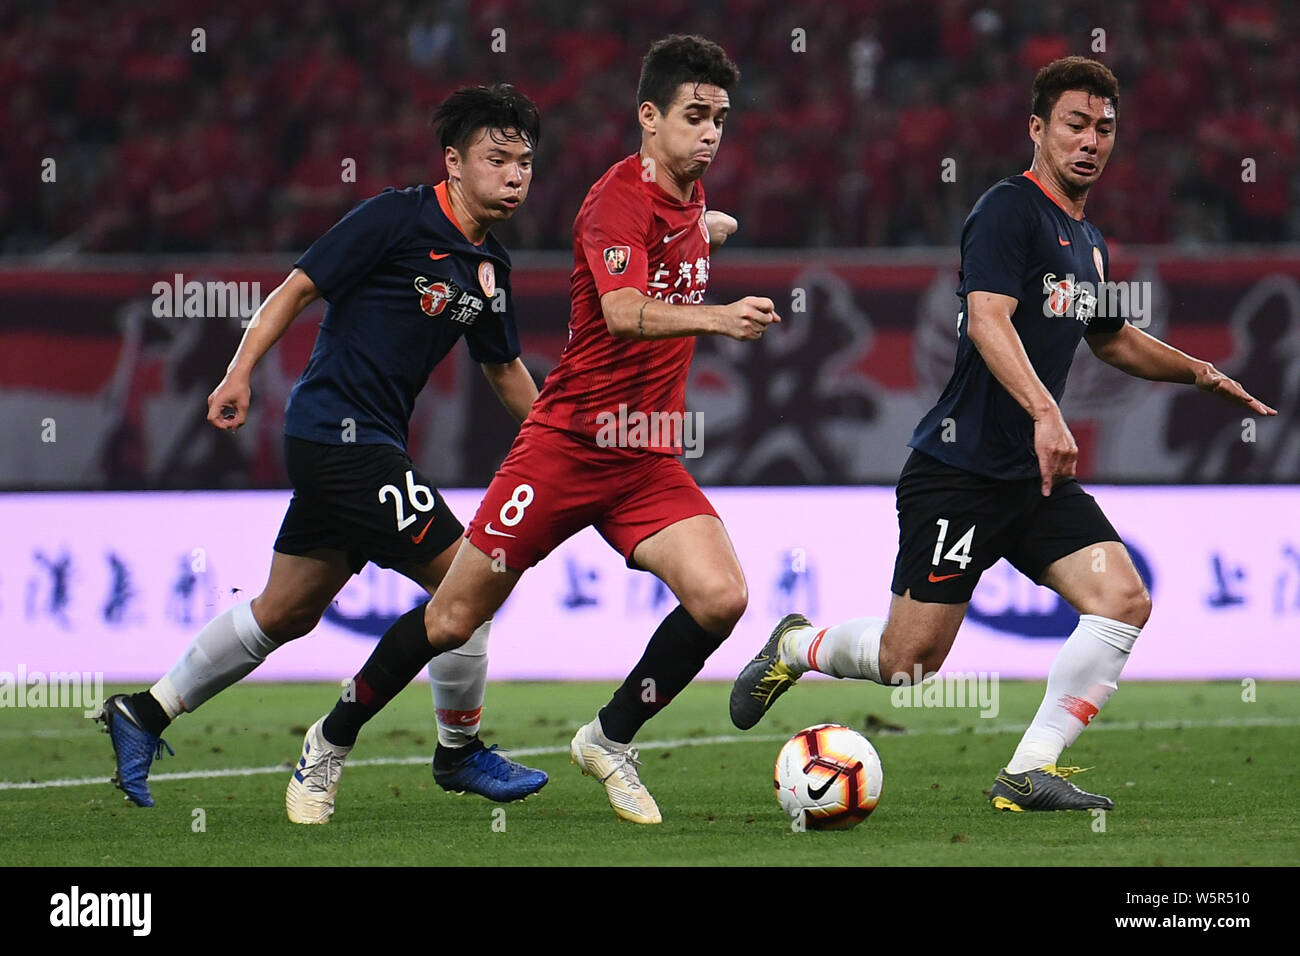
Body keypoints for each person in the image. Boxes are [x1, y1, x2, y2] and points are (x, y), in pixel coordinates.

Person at [730, 57, 1277, 812]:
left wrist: (1199, 372)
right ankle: (797, 645)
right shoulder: (1006, 210)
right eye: (1075, 125)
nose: (1091, 141)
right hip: (961, 468)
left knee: (1122, 600)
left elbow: (1112, 338)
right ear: (1038, 129)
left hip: (1033, 478)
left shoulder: (1086, 241)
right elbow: (988, 318)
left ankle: (1029, 771)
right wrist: (1049, 414)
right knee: (908, 664)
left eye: (1105, 128)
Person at [297, 33, 777, 825]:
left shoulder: (688, 200)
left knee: (721, 598)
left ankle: (609, 737)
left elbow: (684, 236)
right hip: (565, 446)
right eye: (695, 115)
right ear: (648, 118)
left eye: (721, 116)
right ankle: (331, 737)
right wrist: (718, 317)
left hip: (644, 455)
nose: (712, 131)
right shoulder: (615, 200)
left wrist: (707, 230)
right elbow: (622, 313)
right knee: (454, 616)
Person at [96, 84, 550, 821]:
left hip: (358, 445)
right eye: (496, 159)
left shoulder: (489, 268)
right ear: (454, 163)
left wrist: (558, 446)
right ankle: (443, 752)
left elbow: (502, 370)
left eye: (525, 163)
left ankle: (143, 713)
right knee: (475, 582)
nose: (514, 175)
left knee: (284, 612)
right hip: (340, 436)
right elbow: (299, 286)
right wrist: (239, 370)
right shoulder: (396, 216)